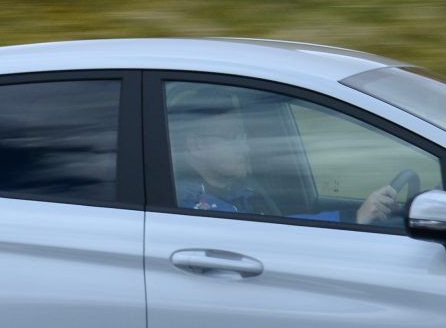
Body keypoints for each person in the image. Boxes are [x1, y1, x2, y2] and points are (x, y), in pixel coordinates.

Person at [172, 89, 405, 226]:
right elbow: (266, 239)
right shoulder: (194, 207)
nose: (246, 147)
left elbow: (286, 223)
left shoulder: (239, 189)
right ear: (197, 145)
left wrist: (353, 216)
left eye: (244, 135)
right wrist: (354, 219)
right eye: (233, 138)